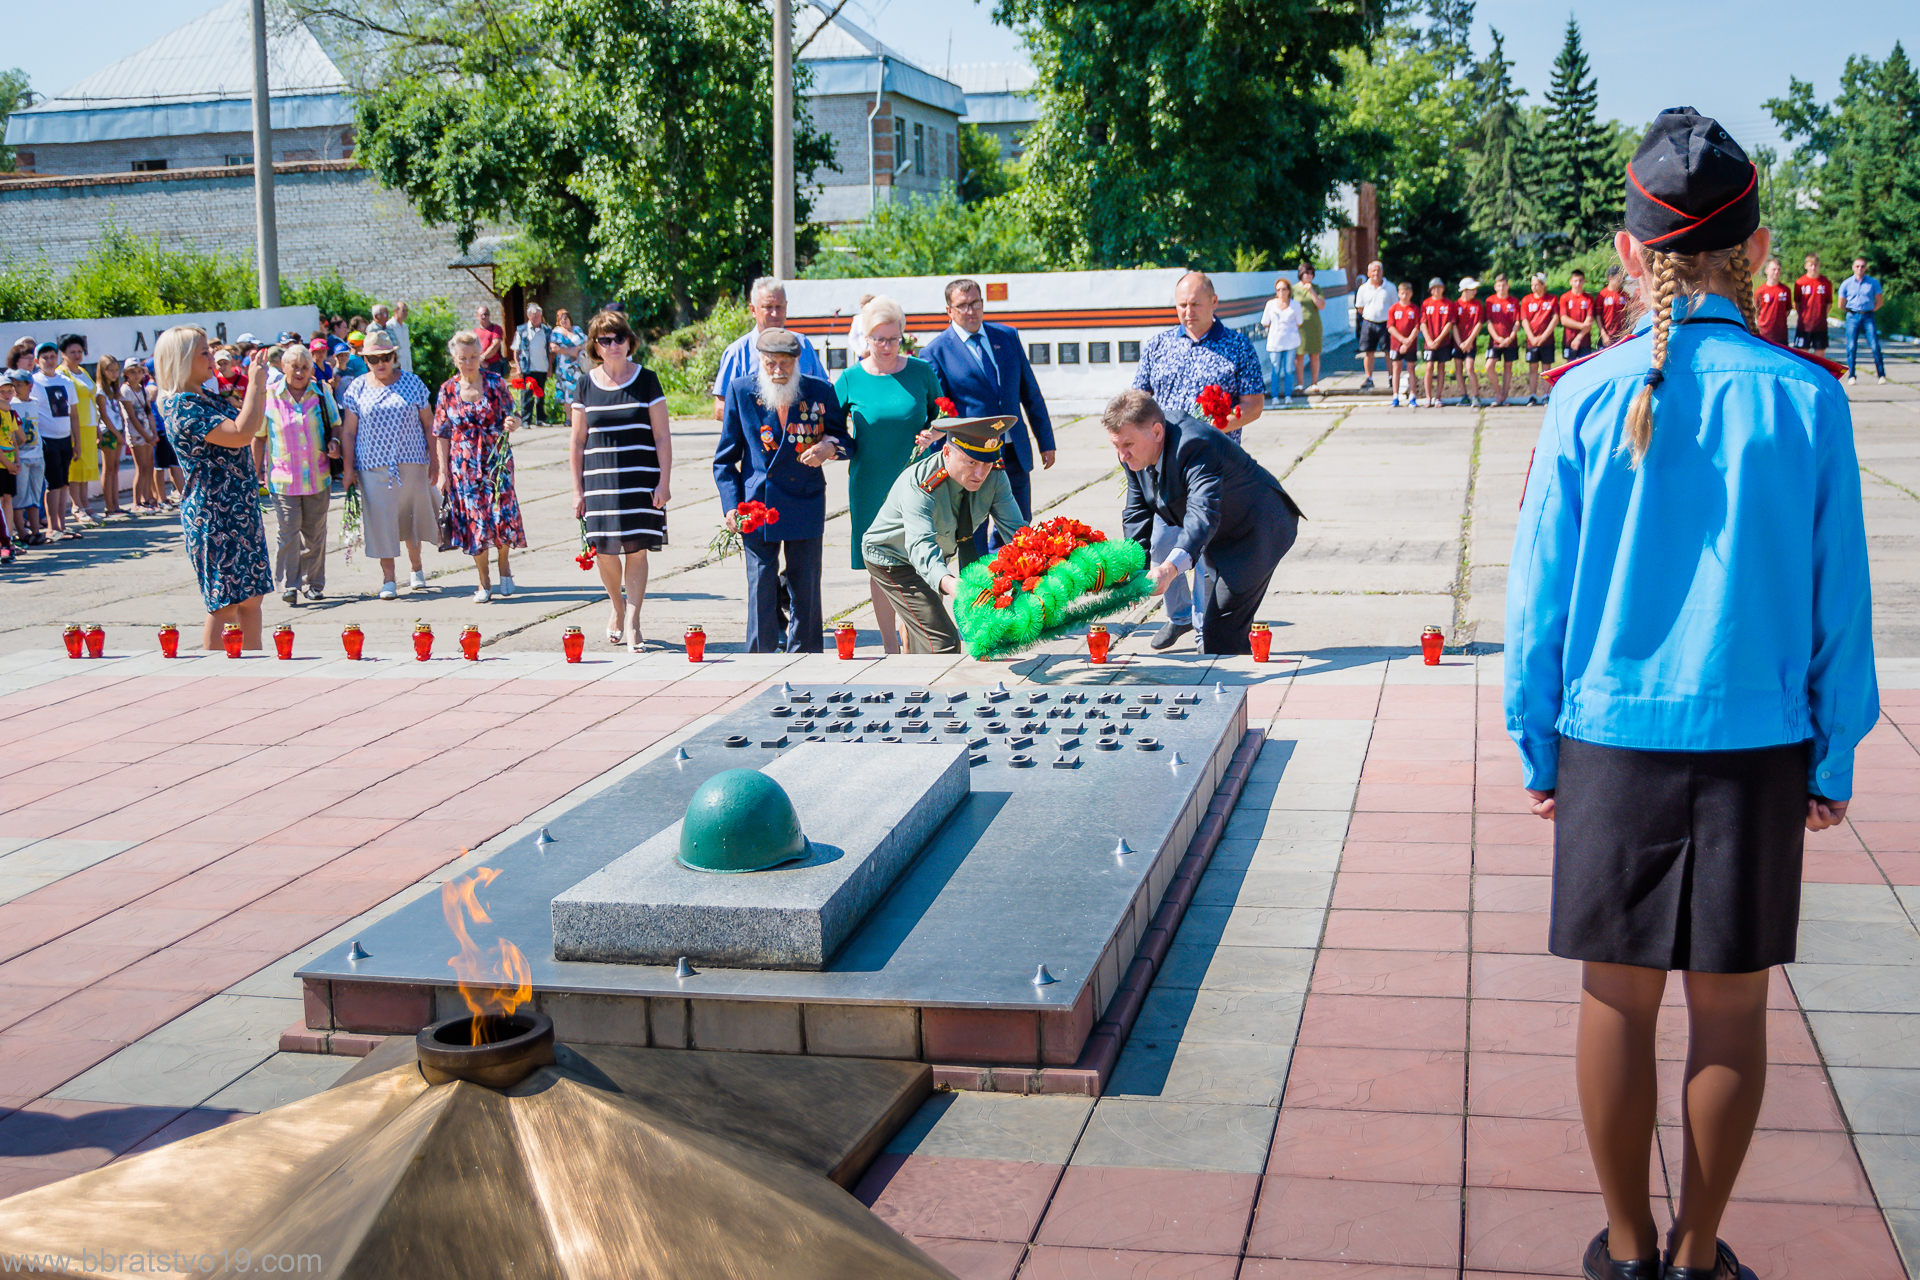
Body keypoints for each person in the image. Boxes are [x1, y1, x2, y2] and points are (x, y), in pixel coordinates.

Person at [1506, 108, 1877, 1280]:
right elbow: (1840, 601)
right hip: (1760, 737)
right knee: (1731, 1011)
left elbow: (1538, 604)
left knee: (1615, 1002)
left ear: (1628, 255)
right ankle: (1700, 1247)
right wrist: (1834, 753)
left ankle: (1623, 1251)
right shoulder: (1808, 399)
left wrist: (1538, 744)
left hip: (1611, 734)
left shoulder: (1580, 396)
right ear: (1759, 255)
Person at [1108, 389, 1302, 656]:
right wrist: (1134, 569)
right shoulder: (1136, 454)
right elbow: (1137, 513)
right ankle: (1223, 679)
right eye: (1116, 446)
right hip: (1218, 537)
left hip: (1256, 530)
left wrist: (1169, 570)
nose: (1122, 456)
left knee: (1220, 629)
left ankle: (1232, 691)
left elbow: (1202, 514)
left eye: (1127, 445)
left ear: (1156, 432)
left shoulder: (1195, 444)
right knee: (1212, 629)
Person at [1131, 270, 1265, 650]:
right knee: (1161, 544)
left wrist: (1216, 423)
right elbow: (1140, 400)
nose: (1188, 312)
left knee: (1205, 551)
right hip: (1166, 468)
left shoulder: (1238, 346)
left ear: (1214, 303)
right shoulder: (1157, 345)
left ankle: (1207, 628)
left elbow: (1253, 405)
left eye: (1196, 304)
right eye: (1181, 305)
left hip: (1214, 466)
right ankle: (1178, 618)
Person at [714, 328, 852, 654]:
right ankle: (759, 659)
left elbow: (844, 439)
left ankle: (805, 658)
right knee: (760, 584)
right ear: (759, 361)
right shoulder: (741, 391)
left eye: (785, 363)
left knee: (805, 585)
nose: (778, 371)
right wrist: (731, 505)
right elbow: (725, 460)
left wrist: (828, 447)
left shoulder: (819, 391)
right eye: (770, 363)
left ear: (797, 361)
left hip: (805, 498)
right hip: (757, 504)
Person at [153, 327, 274, 651]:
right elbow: (239, 433)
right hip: (214, 515)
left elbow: (251, 424)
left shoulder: (205, 397)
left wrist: (257, 388)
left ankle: (253, 673)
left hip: (238, 509)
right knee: (225, 603)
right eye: (203, 353)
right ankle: (216, 677)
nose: (212, 358)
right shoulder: (182, 405)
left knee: (250, 597)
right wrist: (256, 383)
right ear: (181, 360)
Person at [838, 295, 946, 653]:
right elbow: (832, 429)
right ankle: (889, 646)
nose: (886, 346)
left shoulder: (921, 371)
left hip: (918, 483)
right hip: (870, 485)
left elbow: (944, 416)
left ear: (903, 336)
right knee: (881, 563)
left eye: (893, 338)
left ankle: (922, 640)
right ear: (865, 339)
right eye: (878, 339)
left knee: (922, 557)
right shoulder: (851, 379)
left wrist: (935, 433)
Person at [860, 419, 1025, 654]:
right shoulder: (920, 484)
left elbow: (1017, 533)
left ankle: (912, 648)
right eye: (971, 462)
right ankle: (926, 687)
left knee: (926, 626)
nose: (980, 473)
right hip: (893, 558)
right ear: (947, 452)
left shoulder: (995, 476)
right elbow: (920, 546)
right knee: (942, 641)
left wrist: (1048, 565)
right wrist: (952, 585)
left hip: (935, 557)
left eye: (987, 464)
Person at [922, 276, 1056, 548]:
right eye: (962, 305)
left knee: (1019, 529)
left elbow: (1030, 392)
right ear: (949, 310)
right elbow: (938, 412)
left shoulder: (1006, 337)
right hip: (972, 457)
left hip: (1013, 451)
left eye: (976, 303)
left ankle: (1016, 584)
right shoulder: (935, 352)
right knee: (973, 532)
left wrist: (1046, 442)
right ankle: (982, 588)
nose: (971, 311)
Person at [572, 310, 671, 651]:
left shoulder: (647, 380)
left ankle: (633, 620)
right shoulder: (585, 384)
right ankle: (616, 604)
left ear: (630, 342)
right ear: (595, 346)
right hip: (599, 485)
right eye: (605, 340)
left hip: (640, 483)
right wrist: (577, 490)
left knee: (638, 552)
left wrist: (664, 482)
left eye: (619, 338)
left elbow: (662, 437)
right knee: (605, 554)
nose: (613, 345)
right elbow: (577, 440)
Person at [340, 329, 438, 600]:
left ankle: (416, 569)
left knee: (410, 517)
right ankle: (388, 578)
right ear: (366, 360)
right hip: (373, 466)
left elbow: (429, 424)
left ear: (395, 356)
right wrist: (348, 469)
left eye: (386, 356)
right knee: (381, 523)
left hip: (412, 461)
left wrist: (435, 461)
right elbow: (348, 431)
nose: (380, 363)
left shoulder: (413, 382)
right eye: (373, 359)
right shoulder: (357, 387)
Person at [436, 331, 527, 602]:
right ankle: (483, 581)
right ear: (454, 358)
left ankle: (504, 566)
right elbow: (441, 432)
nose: (470, 362)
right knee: (474, 520)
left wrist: (514, 423)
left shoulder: (496, 382)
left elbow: (515, 414)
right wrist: (443, 472)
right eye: (463, 358)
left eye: (474, 356)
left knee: (500, 516)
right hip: (463, 466)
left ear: (481, 355)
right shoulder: (447, 390)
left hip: (496, 461)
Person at [257, 345, 337, 603]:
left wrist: (335, 443)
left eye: (305, 367)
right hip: (283, 478)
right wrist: (252, 472)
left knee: (315, 534)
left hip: (317, 475)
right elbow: (258, 437)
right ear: (283, 367)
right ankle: (288, 585)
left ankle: (312, 583)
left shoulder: (322, 393)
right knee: (288, 531)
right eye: (295, 367)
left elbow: (335, 424)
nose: (300, 372)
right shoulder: (268, 396)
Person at [710, 277, 828, 418]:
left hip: (802, 436)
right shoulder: (737, 353)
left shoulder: (802, 345)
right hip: (758, 437)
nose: (775, 314)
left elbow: (824, 393)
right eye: (768, 307)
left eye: (779, 307)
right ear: (753, 310)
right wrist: (754, 425)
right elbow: (720, 408)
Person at [30, 342, 76, 540]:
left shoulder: (66, 381)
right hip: (46, 439)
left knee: (65, 483)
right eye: (44, 357)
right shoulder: (33, 382)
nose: (49, 361)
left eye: (52, 356)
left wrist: (77, 443)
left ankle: (63, 525)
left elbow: (73, 414)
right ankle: (52, 527)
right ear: (37, 361)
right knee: (53, 484)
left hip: (65, 437)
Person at [57, 337, 101, 525]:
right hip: (75, 425)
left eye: (79, 351)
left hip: (90, 425)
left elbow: (91, 398)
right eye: (72, 352)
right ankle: (77, 506)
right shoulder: (62, 374)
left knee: (88, 467)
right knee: (76, 466)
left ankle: (86, 503)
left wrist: (98, 426)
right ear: (63, 354)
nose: (77, 355)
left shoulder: (83, 371)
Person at [119, 361, 161, 514]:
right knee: (141, 467)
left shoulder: (143, 389)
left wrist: (153, 433)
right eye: (132, 372)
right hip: (136, 434)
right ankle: (136, 502)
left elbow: (149, 412)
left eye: (139, 371)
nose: (136, 375)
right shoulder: (125, 390)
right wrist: (145, 435)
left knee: (149, 466)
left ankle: (147, 498)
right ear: (126, 374)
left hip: (148, 433)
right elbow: (131, 416)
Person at [1839, 257, 1887, 385]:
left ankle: (1881, 374)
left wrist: (1871, 310)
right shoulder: (1846, 283)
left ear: (1866, 268)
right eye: (1857, 266)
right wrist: (1851, 311)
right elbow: (1841, 304)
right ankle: (1852, 375)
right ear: (1853, 267)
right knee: (1851, 346)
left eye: (1862, 266)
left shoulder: (1873, 283)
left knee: (1875, 345)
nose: (1860, 269)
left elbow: (1880, 301)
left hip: (1868, 316)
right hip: (1852, 316)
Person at [91, 354, 127, 520]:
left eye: (116, 370)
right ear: (102, 371)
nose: (114, 374)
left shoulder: (114, 389)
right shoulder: (100, 390)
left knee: (115, 469)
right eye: (110, 370)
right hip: (108, 432)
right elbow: (104, 415)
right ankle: (110, 506)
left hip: (118, 429)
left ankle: (116, 504)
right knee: (108, 468)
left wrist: (122, 431)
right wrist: (116, 434)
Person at [1350, 261, 1394, 390]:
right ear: (1368, 273)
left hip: (1386, 323)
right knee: (1368, 352)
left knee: (1389, 352)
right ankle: (1369, 378)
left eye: (1378, 270)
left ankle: (1392, 377)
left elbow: (1394, 307)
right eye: (1373, 271)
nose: (1376, 273)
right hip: (1369, 323)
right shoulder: (1363, 289)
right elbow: (1360, 307)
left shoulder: (1390, 287)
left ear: (1382, 272)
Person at [1260, 278, 1304, 405]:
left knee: (1288, 369)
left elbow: (1299, 322)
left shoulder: (1295, 305)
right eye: (1278, 290)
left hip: (1290, 342)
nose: (1281, 292)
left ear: (1289, 290)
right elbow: (1265, 322)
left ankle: (1288, 395)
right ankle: (1275, 396)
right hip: (1275, 343)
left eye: (1284, 289)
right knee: (1275, 369)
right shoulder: (1271, 305)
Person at [1520, 274, 1559, 405]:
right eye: (1532, 284)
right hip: (1532, 340)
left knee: (1546, 368)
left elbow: (1555, 319)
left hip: (1546, 340)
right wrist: (1531, 337)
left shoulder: (1551, 299)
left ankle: (1546, 395)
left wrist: (1543, 336)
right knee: (1533, 367)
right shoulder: (1526, 300)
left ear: (1543, 285)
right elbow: (1524, 320)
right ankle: (1532, 395)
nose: (1533, 287)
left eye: (1536, 284)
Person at [513, 303, 554, 423]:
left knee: (540, 395)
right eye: (534, 316)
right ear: (529, 316)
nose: (537, 319)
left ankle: (540, 419)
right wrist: (518, 368)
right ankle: (526, 420)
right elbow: (516, 351)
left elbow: (550, 352)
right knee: (526, 395)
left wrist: (550, 368)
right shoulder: (521, 330)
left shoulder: (546, 331)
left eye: (539, 316)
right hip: (527, 368)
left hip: (542, 367)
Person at [1418, 278, 1456, 408]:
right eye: (1434, 288)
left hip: (1443, 342)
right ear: (1430, 290)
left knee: (1441, 368)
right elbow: (1423, 323)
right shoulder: (1426, 304)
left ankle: (1438, 397)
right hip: (1430, 342)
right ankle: (1428, 397)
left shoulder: (1447, 304)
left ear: (1443, 289)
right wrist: (1429, 340)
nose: (1436, 290)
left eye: (1439, 287)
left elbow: (1449, 323)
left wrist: (1439, 339)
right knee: (1429, 367)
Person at [1484, 275, 1521, 406]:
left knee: (1508, 367)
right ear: (1495, 287)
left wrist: (1511, 337)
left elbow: (1517, 321)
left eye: (1504, 285)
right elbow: (1488, 322)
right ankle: (1498, 393)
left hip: (1510, 340)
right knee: (1489, 366)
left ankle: (1504, 397)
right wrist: (1497, 338)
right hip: (1495, 341)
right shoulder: (1490, 301)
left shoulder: (1514, 301)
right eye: (1498, 285)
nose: (1501, 288)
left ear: (1508, 286)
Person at [1451, 278, 1485, 407]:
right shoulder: (1456, 305)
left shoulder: (1477, 305)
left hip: (1470, 344)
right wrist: (1460, 343)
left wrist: (1469, 341)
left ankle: (1476, 396)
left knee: (1469, 368)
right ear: (1464, 290)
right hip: (1457, 343)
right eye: (1472, 290)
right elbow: (1453, 325)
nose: (1475, 292)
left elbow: (1479, 324)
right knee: (1458, 369)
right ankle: (1464, 396)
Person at [1294, 263, 1327, 393]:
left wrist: (1311, 291)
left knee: (1314, 354)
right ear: (1301, 274)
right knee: (1299, 354)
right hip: (1299, 325)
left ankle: (1314, 383)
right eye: (1306, 273)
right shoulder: (1294, 289)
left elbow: (1321, 305)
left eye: (1311, 273)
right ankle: (1300, 383)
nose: (1309, 276)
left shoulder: (1317, 288)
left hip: (1314, 324)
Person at [1387, 280, 1421, 407]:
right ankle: (1395, 396)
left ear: (1411, 294)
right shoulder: (1393, 308)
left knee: (1411, 369)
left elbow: (1417, 327)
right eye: (1402, 293)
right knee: (1396, 369)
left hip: (1410, 345)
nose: (1405, 296)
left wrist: (1408, 342)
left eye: (1407, 293)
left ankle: (1412, 396)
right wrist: (1402, 340)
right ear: (1398, 294)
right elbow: (1390, 327)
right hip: (1396, 345)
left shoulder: (1414, 308)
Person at [1793, 253, 1833, 352]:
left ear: (1819, 265)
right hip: (1804, 326)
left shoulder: (1825, 282)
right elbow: (1796, 303)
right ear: (1806, 266)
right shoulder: (1800, 283)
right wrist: (1803, 316)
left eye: (1816, 264)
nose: (1813, 267)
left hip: (1820, 326)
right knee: (1802, 355)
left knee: (1820, 358)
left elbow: (1829, 303)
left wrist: (1821, 315)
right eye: (1811, 265)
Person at [1559, 268, 1596, 368]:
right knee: (1569, 367)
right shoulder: (1564, 298)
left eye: (1580, 280)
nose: (1578, 283)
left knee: (1584, 367)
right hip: (1569, 339)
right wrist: (1582, 326)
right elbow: (1564, 320)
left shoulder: (1589, 299)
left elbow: (1589, 323)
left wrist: (1578, 338)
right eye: (1575, 280)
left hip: (1584, 340)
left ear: (1584, 281)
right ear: (1571, 281)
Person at [550, 308, 587, 407]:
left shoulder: (577, 329)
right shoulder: (556, 332)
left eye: (565, 318)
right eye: (561, 319)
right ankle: (568, 419)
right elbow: (553, 347)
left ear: (570, 318)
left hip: (578, 365)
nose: (564, 320)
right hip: (564, 367)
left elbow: (587, 343)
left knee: (579, 390)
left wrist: (578, 348)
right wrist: (569, 351)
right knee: (567, 390)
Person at [1753, 258, 1792, 347]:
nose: (1776, 272)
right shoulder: (1760, 291)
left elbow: (1787, 310)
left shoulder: (1786, 290)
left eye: (1778, 269)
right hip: (1764, 333)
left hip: (1781, 334)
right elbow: (1757, 311)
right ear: (1766, 270)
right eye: (1774, 269)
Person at [366, 302, 413, 374]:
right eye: (384, 314)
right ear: (376, 316)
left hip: (397, 364)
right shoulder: (372, 329)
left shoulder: (389, 328)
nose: (387, 316)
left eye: (387, 313)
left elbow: (396, 345)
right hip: (381, 365)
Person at [1596, 265, 1631, 347]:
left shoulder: (1625, 295)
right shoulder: (1602, 295)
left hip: (1621, 336)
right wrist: (1603, 335)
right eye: (1618, 277)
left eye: (1622, 277)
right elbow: (1597, 316)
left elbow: (1628, 315)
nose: (1621, 280)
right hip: (1607, 336)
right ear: (1610, 277)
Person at [475, 305, 507, 378]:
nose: (483, 317)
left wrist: (482, 358)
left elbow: (495, 345)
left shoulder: (495, 329)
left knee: (495, 388)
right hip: (479, 366)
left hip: (494, 366)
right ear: (477, 317)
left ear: (489, 315)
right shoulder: (475, 332)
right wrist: (479, 360)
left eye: (485, 314)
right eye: (481, 315)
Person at [846, 293, 876, 361]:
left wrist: (870, 350)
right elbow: (852, 338)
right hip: (861, 355)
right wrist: (861, 352)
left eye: (864, 304)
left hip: (875, 354)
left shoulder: (879, 319)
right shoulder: (857, 319)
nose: (861, 306)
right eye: (861, 304)